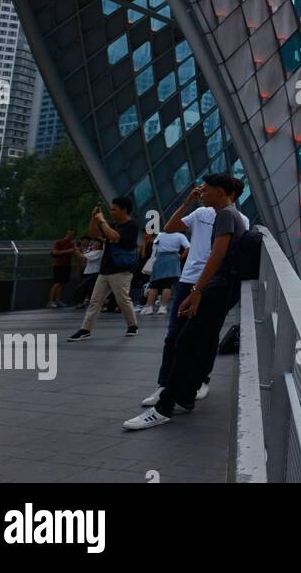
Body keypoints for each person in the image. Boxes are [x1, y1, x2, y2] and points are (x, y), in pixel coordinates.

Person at [126, 173, 249, 430]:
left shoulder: (226, 214)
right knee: (194, 342)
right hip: (222, 289)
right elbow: (172, 229)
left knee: (185, 343)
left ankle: (164, 407)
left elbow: (217, 254)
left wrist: (197, 291)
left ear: (220, 191)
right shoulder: (230, 215)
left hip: (215, 289)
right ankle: (185, 398)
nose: (202, 192)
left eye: (207, 189)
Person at [67, 197, 141, 342]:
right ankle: (85, 329)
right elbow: (94, 234)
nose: (111, 212)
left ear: (124, 210)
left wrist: (102, 220)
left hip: (122, 269)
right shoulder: (114, 224)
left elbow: (114, 237)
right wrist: (94, 218)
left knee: (122, 299)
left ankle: (133, 326)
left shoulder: (131, 225)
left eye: (114, 209)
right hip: (106, 269)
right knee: (95, 301)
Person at [139, 229, 189, 316]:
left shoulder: (160, 235)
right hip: (173, 258)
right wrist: (181, 257)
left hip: (160, 258)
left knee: (154, 284)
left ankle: (149, 307)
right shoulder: (179, 235)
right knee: (167, 284)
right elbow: (188, 247)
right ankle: (162, 307)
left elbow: (155, 247)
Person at [47, 229, 76, 308]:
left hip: (67, 265)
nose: (71, 236)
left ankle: (57, 300)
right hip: (58, 265)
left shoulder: (72, 244)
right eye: (70, 234)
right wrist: (68, 251)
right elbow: (55, 252)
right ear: (67, 234)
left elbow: (75, 252)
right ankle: (51, 301)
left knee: (61, 284)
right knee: (57, 283)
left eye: (73, 235)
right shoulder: (58, 242)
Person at [72, 238, 103, 309]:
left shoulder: (99, 252)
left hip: (94, 273)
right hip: (87, 272)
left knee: (81, 287)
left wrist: (75, 248)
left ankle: (79, 302)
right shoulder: (91, 252)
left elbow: (82, 257)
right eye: (93, 242)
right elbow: (80, 257)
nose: (93, 243)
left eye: (96, 242)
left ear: (100, 244)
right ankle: (92, 302)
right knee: (90, 289)